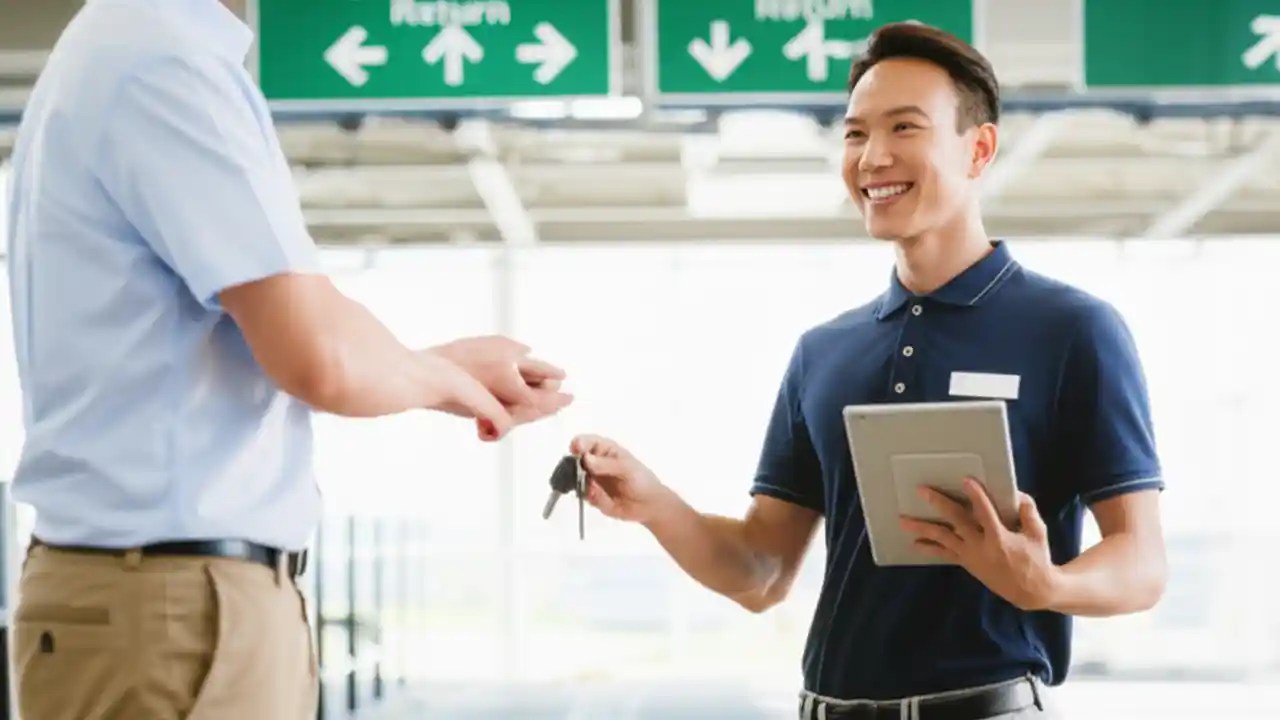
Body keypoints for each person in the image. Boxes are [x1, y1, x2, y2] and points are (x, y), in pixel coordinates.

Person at [571, 22, 1167, 720]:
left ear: (978, 149)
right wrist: (653, 503)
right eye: (854, 135)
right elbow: (761, 572)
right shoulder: (823, 351)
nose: (873, 157)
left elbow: (1142, 564)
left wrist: (1046, 585)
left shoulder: (1072, 331)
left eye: (904, 128)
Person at [4, 0, 572, 718]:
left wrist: (443, 370)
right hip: (175, 609)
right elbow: (320, 357)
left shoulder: (140, 45)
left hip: (168, 599)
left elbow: (304, 326)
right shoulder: (164, 59)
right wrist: (446, 378)